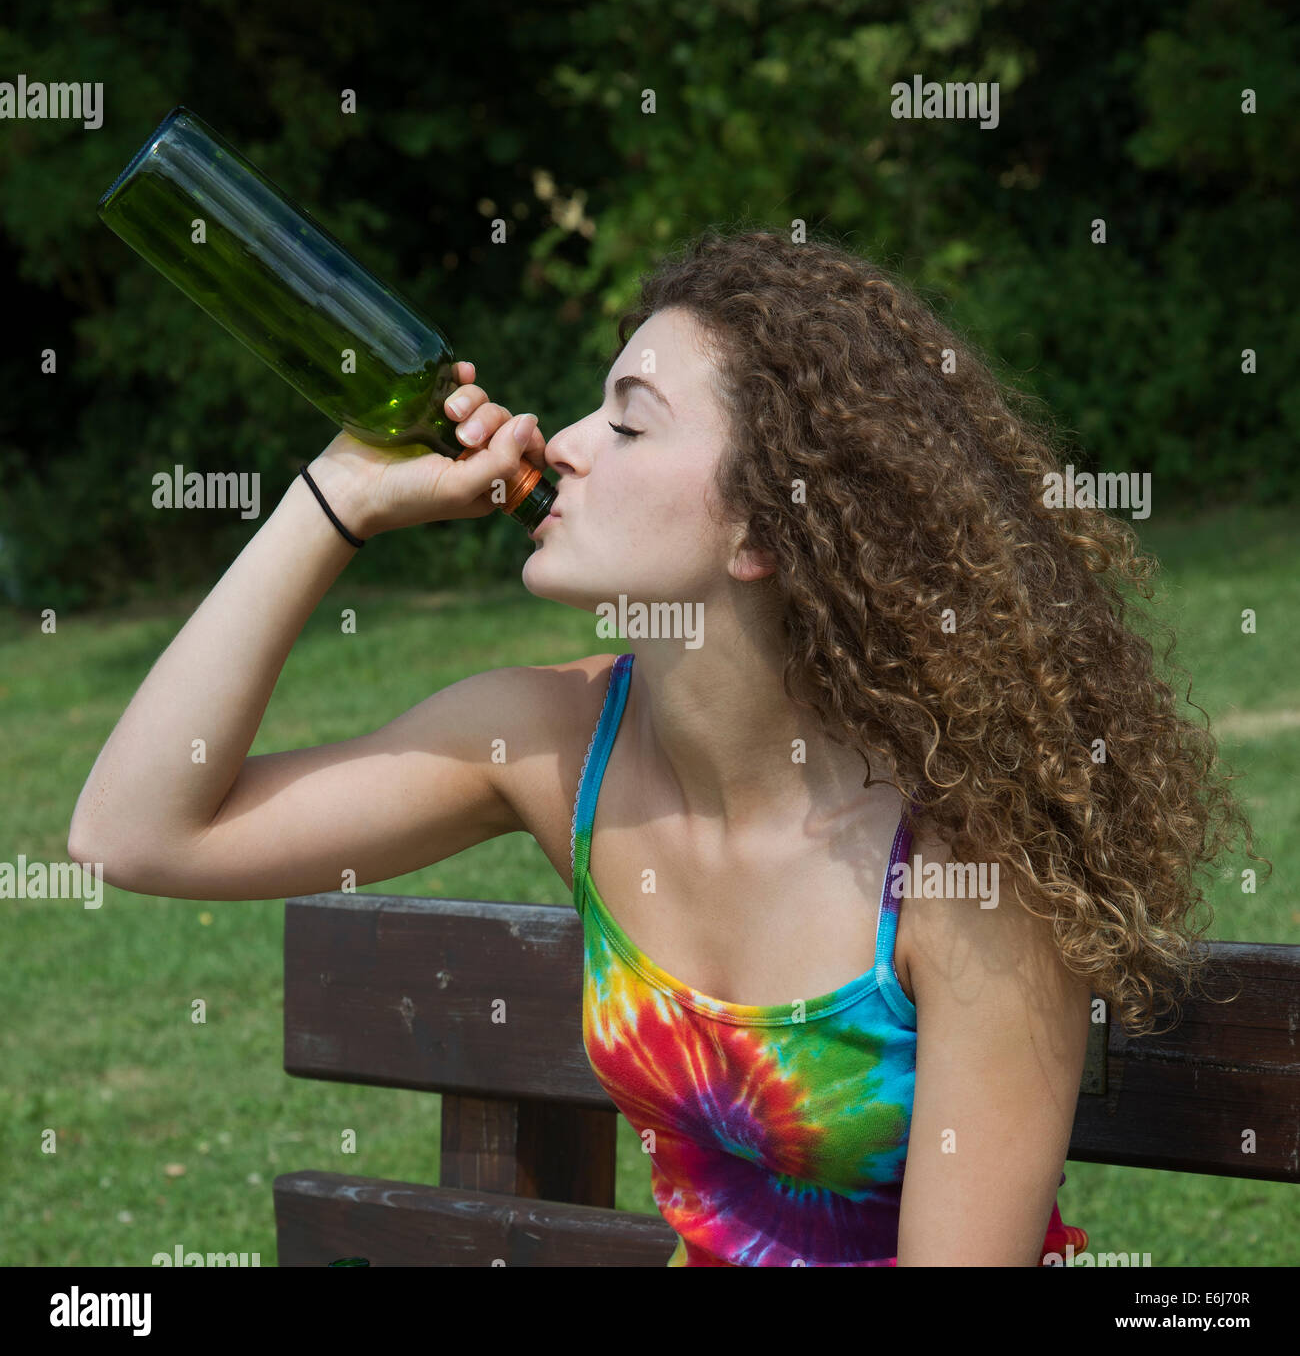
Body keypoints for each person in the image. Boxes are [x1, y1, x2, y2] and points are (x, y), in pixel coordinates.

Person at [68, 228, 1262, 1266]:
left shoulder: (964, 875)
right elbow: (135, 833)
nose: (561, 442)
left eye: (628, 423)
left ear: (762, 529)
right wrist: (337, 498)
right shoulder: (551, 747)